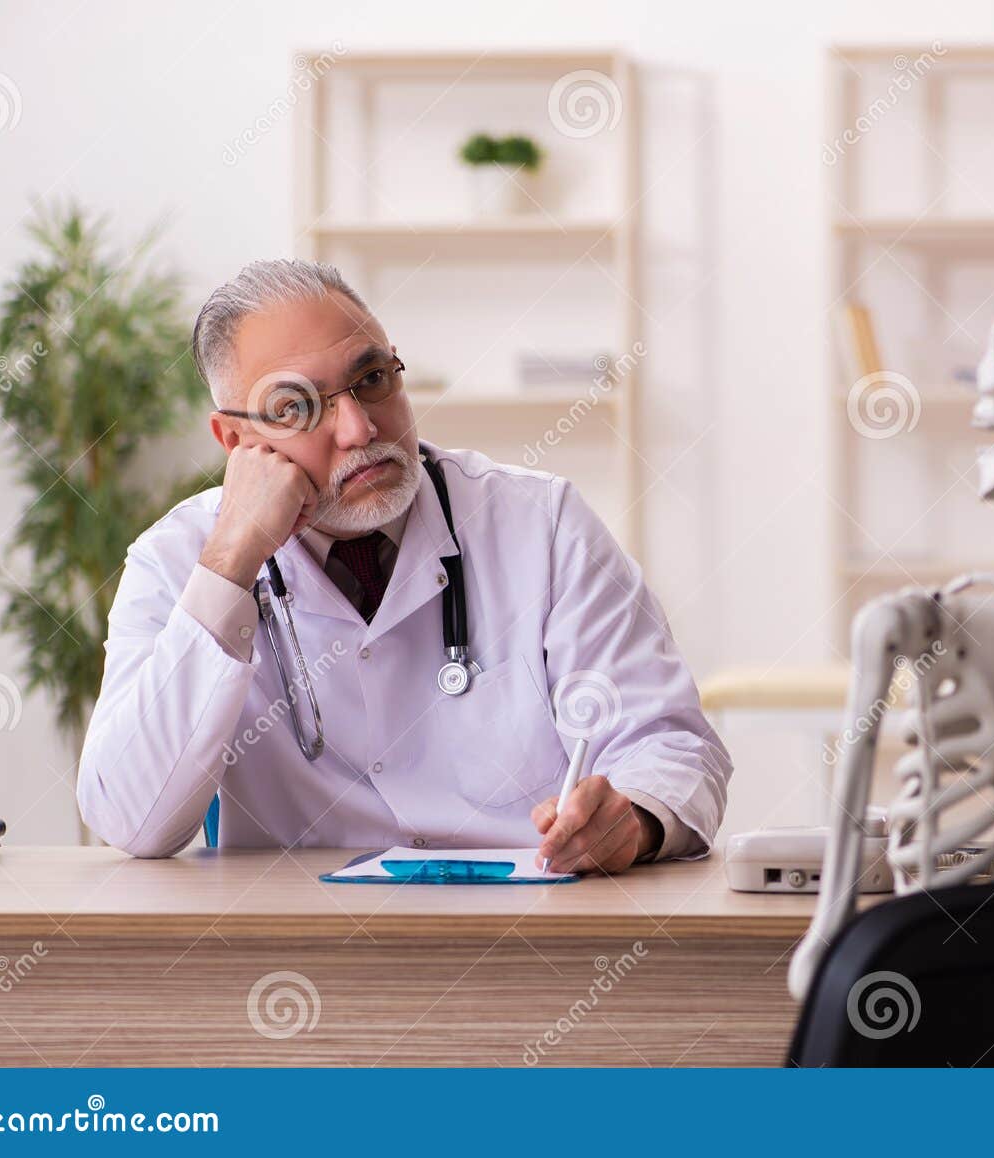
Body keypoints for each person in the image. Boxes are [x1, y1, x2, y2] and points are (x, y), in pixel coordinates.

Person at [76, 259, 730, 869]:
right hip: (298, 938)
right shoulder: (176, 562)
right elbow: (131, 820)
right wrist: (230, 564)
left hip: (526, 926)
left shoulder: (541, 524)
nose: (360, 429)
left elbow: (673, 746)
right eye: (297, 407)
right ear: (236, 440)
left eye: (371, 380)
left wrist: (635, 820)